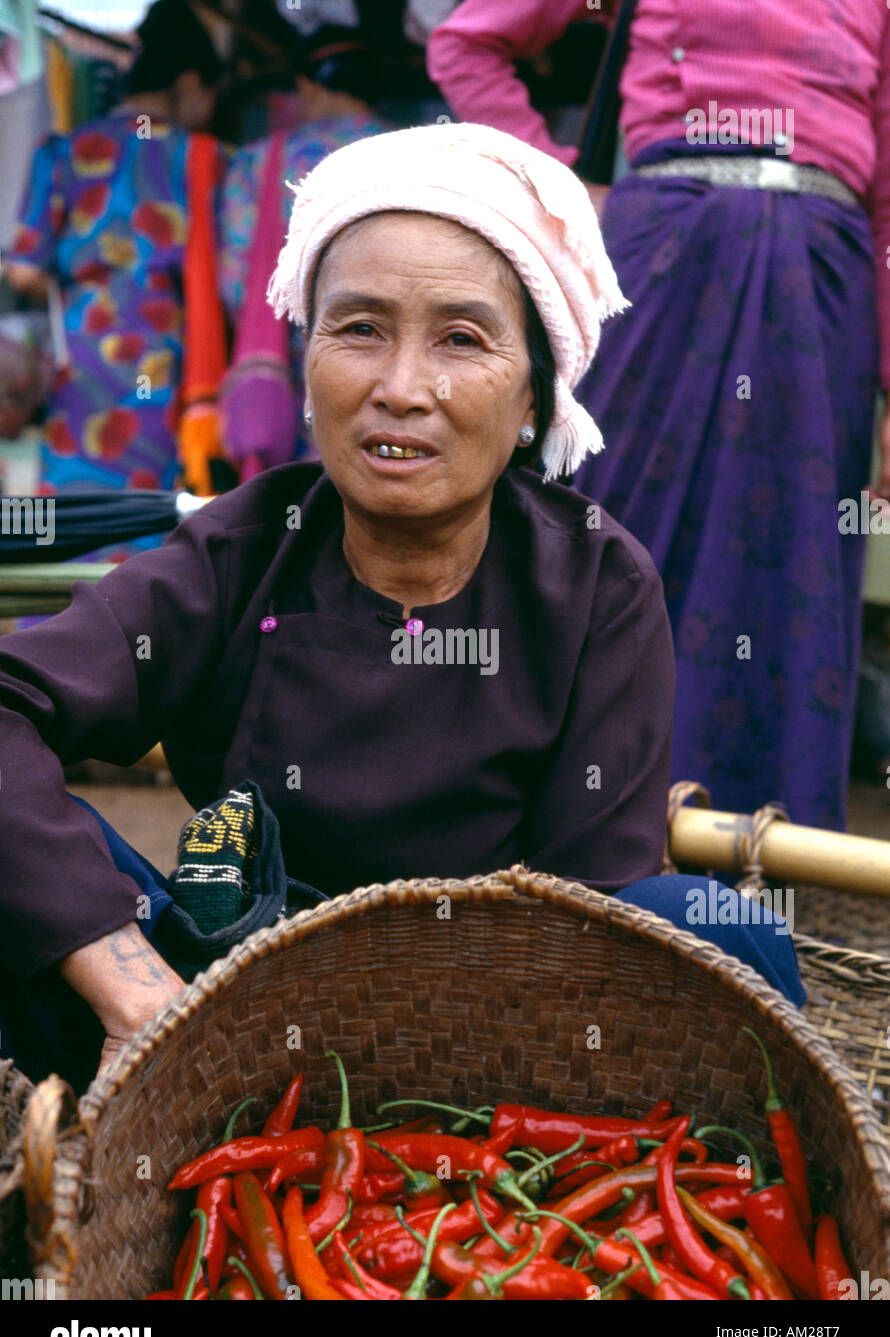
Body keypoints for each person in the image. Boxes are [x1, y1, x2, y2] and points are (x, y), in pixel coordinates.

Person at [0, 122, 804, 1091]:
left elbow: (586, 921)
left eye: (460, 340)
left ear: (532, 408)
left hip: (500, 1029)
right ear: (306, 366)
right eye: (359, 328)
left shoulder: (595, 583)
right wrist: (136, 988)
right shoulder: (241, 547)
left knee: (716, 934)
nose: (400, 388)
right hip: (229, 1005)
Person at [427, 0, 889, 833]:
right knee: (618, 531)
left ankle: (760, 855)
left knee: (795, 562)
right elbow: (469, 43)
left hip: (827, 276)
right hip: (663, 251)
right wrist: (562, 185)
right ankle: (579, 833)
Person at [2, 0, 223, 539]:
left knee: (74, 520)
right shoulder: (205, 158)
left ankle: (63, 617)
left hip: (80, 366)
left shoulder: (63, 152)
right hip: (166, 365)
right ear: (190, 83)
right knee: (155, 518)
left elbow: (23, 271)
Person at [217, 27, 390, 468]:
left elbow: (238, 284)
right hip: (389, 357)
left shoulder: (259, 161)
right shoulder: (420, 156)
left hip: (292, 369)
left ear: (308, 86)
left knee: (292, 503)